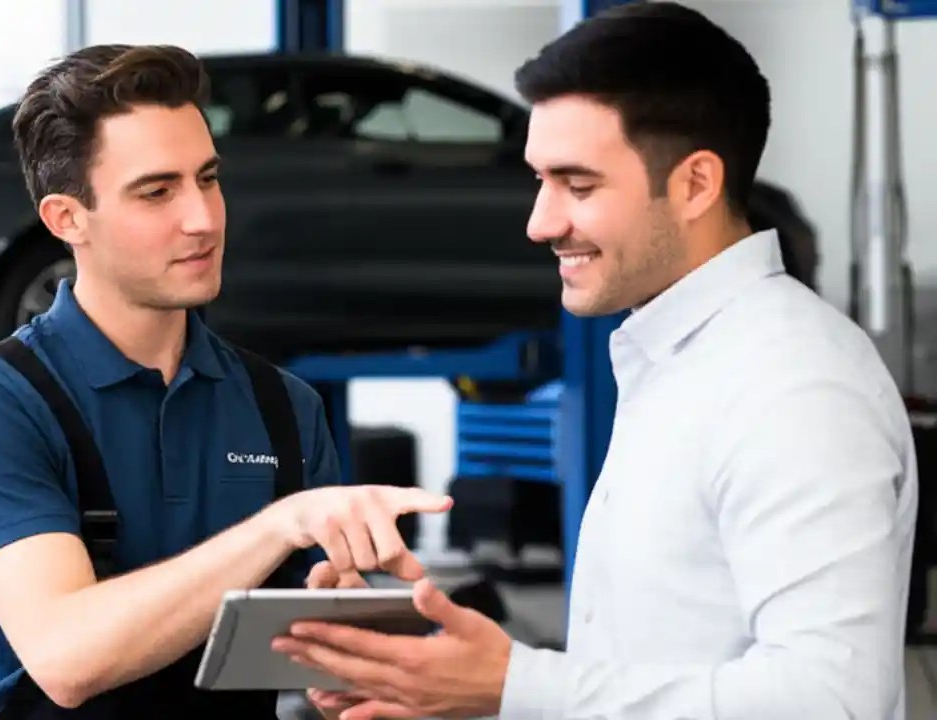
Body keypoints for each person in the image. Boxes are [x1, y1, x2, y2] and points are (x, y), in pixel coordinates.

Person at [273, 4, 920, 719]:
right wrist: (439, 686)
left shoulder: (794, 389)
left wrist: (512, 684)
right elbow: (638, 677)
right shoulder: (683, 362)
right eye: (540, 180)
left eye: (578, 185)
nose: (540, 222)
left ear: (696, 185)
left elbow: (833, 701)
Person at [0, 44, 453, 720]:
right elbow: (66, 657)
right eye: (157, 192)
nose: (203, 218)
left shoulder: (283, 408)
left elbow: (310, 639)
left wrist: (349, 656)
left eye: (208, 179)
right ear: (67, 219)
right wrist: (279, 526)